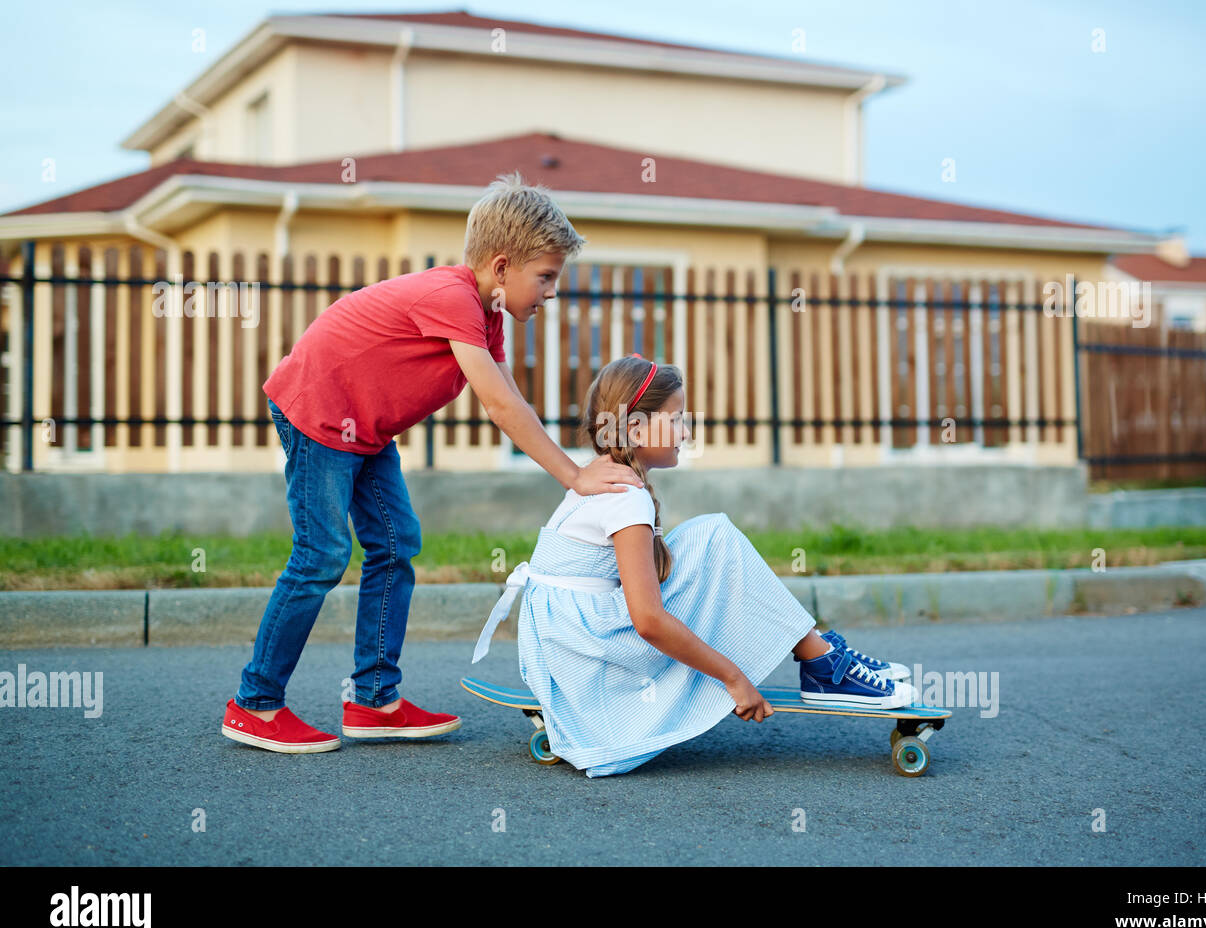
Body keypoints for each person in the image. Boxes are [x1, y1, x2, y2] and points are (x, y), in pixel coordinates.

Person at [222, 172, 644, 754]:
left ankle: (373, 701)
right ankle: (256, 704)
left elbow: (508, 394)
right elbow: (496, 405)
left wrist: (573, 464)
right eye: (544, 277)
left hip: (364, 429)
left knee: (397, 545)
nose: (551, 293)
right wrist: (573, 474)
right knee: (321, 555)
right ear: (501, 268)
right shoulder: (450, 298)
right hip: (317, 414)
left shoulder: (486, 314)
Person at [471, 355, 917, 777]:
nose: (686, 432)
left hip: (570, 639)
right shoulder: (624, 497)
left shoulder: (603, 475)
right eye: (678, 418)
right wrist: (733, 677)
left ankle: (817, 652)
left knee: (709, 538)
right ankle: (821, 662)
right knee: (717, 539)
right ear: (638, 428)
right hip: (591, 657)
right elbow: (646, 621)